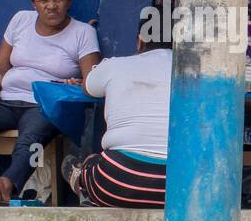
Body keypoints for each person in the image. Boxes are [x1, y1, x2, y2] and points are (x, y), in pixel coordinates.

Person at [0, 0, 101, 204]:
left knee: (31, 140)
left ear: (69, 0)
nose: (51, 5)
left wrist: (75, 84)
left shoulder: (82, 33)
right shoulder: (20, 20)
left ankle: (4, 187)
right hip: (5, 101)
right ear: (33, 2)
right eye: (43, 0)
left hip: (44, 105)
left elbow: (94, 83)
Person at [62, 26, 171, 208]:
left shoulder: (115, 65)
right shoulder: (201, 74)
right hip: (187, 189)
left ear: (139, 40)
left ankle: (88, 194)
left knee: (78, 162)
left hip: (117, 183)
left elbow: (88, 87)